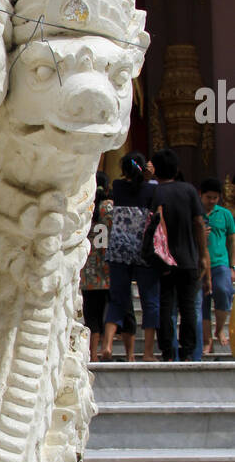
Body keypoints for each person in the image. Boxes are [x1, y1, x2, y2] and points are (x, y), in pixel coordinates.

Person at [151, 148, 211, 362]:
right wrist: (203, 253)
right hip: (188, 258)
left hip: (164, 259)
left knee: (166, 305)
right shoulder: (188, 191)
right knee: (188, 307)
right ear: (177, 169)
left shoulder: (156, 193)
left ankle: (167, 351)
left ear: (156, 171)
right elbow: (198, 222)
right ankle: (187, 351)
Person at [101, 152, 160, 362]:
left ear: (123, 169)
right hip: (143, 251)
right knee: (149, 301)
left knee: (117, 299)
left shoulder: (117, 186)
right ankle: (148, 352)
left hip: (118, 250)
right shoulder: (152, 188)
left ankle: (107, 345)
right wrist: (150, 177)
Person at [196, 177, 235, 353]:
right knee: (202, 301)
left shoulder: (225, 214)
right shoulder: (195, 213)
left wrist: (232, 266)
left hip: (221, 263)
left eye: (215, 198)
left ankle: (219, 330)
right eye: (208, 197)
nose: (212, 201)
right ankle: (207, 340)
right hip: (199, 263)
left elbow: (232, 241)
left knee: (224, 291)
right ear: (201, 195)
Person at [81, 171, 112, 361]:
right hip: (106, 270)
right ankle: (101, 348)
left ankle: (92, 353)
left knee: (90, 315)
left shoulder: (85, 207)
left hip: (87, 271)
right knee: (104, 313)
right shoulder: (108, 209)